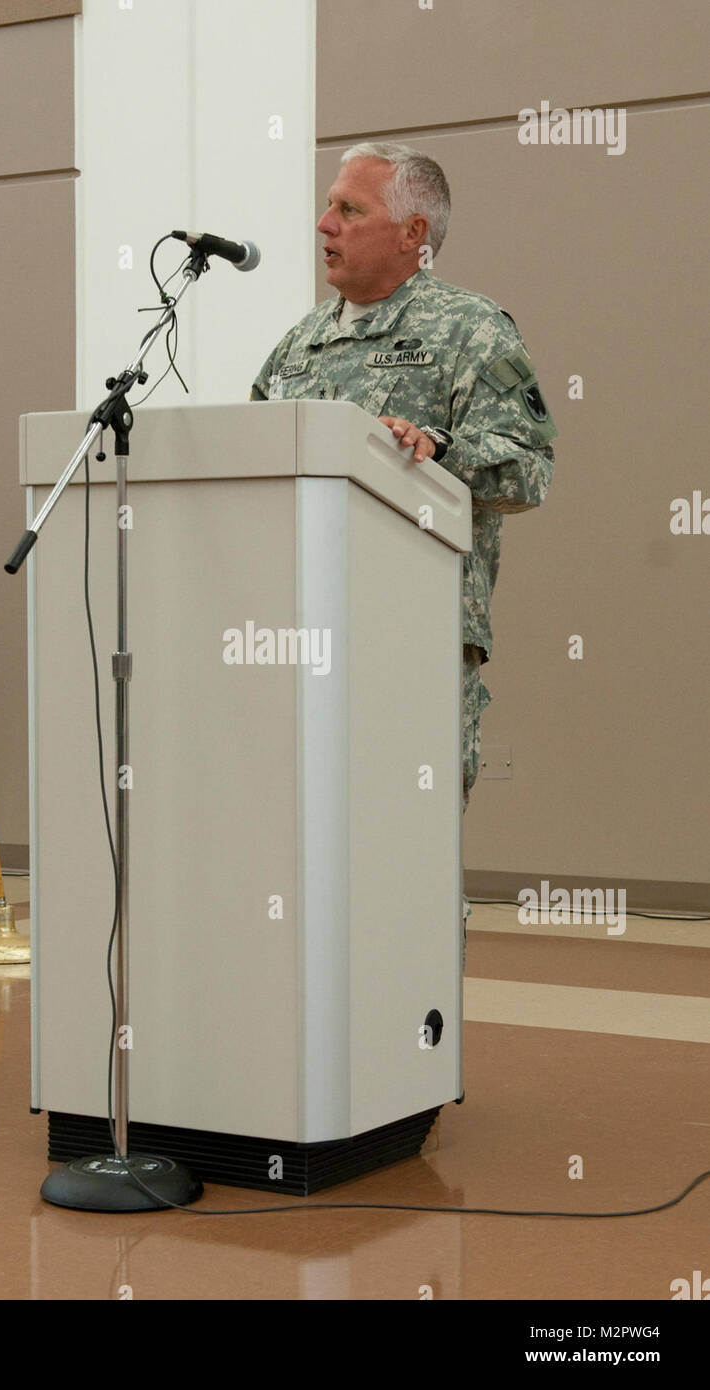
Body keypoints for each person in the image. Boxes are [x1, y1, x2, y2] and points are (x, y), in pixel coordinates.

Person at [250, 141, 556, 937]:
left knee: (401, 864)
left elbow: (529, 470)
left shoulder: (470, 330)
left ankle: (413, 1054)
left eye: (351, 210)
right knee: (294, 856)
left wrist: (439, 451)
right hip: (289, 645)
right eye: (329, 205)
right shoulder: (295, 347)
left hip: (414, 641)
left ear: (414, 231)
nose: (325, 224)